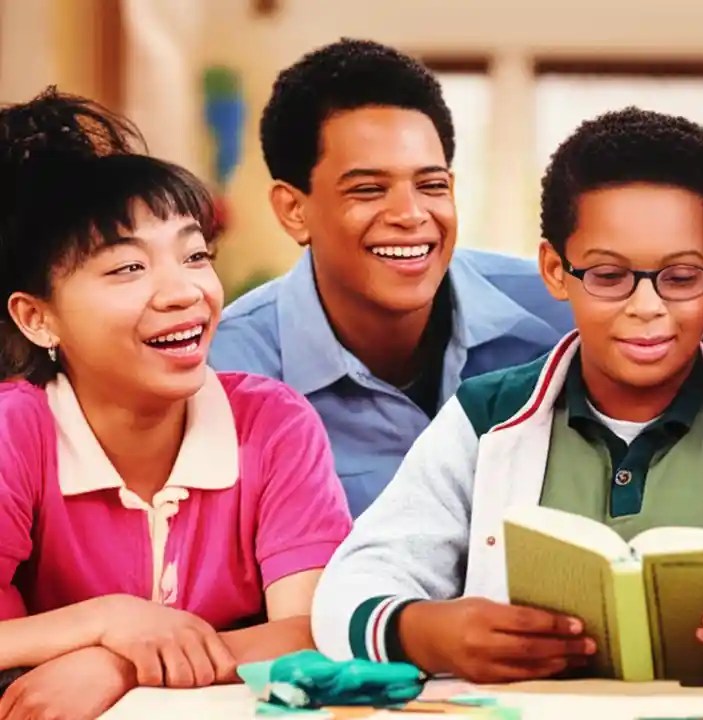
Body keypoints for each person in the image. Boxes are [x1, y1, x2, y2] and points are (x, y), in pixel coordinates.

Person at [309, 107, 703, 684]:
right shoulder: (486, 418)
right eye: (609, 276)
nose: (647, 309)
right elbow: (349, 588)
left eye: (680, 277)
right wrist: (427, 634)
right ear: (556, 271)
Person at [0, 89, 351, 720]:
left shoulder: (273, 424)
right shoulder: (14, 431)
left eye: (195, 256)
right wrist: (110, 619)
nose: (184, 291)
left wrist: (122, 662)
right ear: (37, 318)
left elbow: (315, 631)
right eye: (127, 269)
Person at [210, 39, 574, 517]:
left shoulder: (562, 313)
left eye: (431, 185)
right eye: (368, 189)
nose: (410, 214)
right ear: (294, 210)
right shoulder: (227, 374)